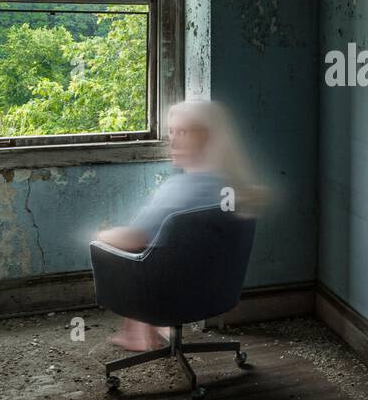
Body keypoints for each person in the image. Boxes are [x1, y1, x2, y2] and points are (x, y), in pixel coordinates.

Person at [95, 99, 267, 352]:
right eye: (171, 132)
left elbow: (134, 238)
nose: (173, 142)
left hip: (170, 294)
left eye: (183, 132)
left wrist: (100, 235)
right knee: (155, 250)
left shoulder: (181, 190)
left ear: (207, 137)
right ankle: (146, 327)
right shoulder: (232, 187)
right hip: (215, 292)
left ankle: (142, 327)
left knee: (116, 246)